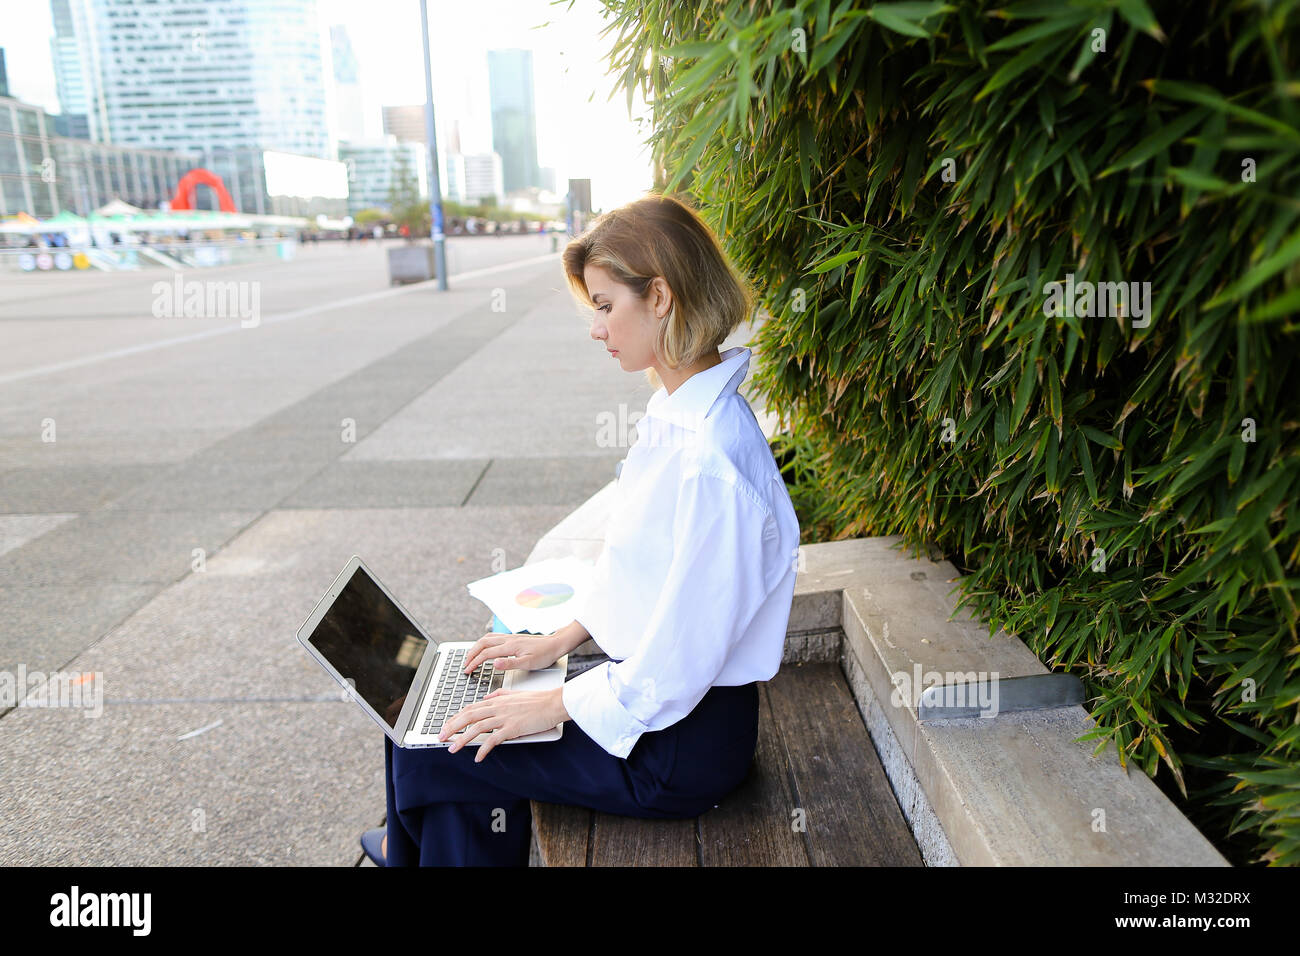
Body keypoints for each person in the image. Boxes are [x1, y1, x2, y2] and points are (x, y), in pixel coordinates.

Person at [365, 192, 801, 867]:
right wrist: (557, 641)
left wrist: (550, 707)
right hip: (664, 710)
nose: (597, 328)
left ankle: (411, 844)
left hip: (676, 750)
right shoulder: (681, 414)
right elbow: (642, 577)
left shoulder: (712, 460)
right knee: (426, 718)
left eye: (604, 305)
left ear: (660, 296)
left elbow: (681, 659)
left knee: (439, 741)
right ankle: (413, 845)